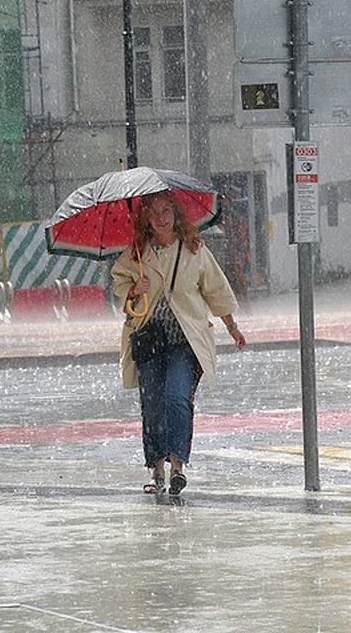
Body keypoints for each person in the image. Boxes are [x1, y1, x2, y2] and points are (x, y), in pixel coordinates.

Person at [111, 190, 247, 496]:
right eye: (154, 212)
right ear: (145, 217)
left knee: (176, 398)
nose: (161, 218)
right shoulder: (137, 253)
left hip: (185, 342)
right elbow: (119, 286)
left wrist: (232, 327)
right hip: (149, 342)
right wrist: (134, 288)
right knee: (153, 406)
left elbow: (216, 290)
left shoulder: (194, 249)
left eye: (166, 211)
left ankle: (177, 468)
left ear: (176, 213)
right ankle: (156, 469)